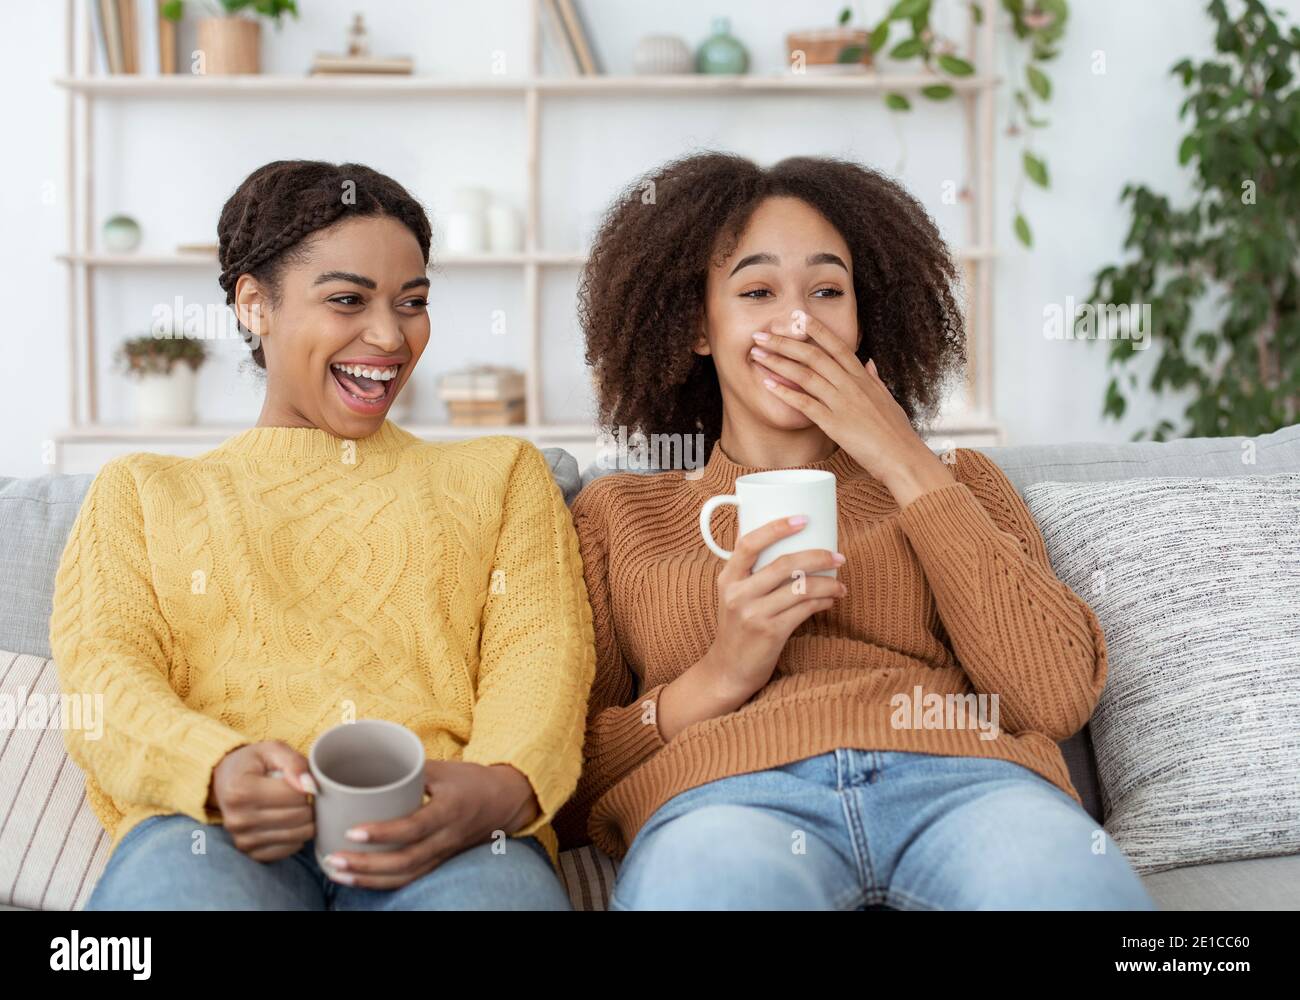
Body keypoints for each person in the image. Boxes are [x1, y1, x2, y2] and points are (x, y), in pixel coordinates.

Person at [553, 152, 1156, 911]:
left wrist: (903, 459)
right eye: (758, 289)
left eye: (828, 290)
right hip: (724, 801)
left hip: (965, 785)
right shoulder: (619, 519)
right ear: (698, 327)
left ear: (865, 318)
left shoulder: (955, 481)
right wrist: (720, 676)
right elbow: (562, 788)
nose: (798, 320)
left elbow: (1054, 697)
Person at [51, 160, 595, 910]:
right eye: (347, 299)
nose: (389, 336)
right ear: (254, 306)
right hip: (212, 835)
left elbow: (540, 653)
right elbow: (101, 681)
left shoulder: (501, 475)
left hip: (444, 833)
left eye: (413, 302)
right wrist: (213, 768)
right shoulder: (143, 492)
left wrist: (503, 788)